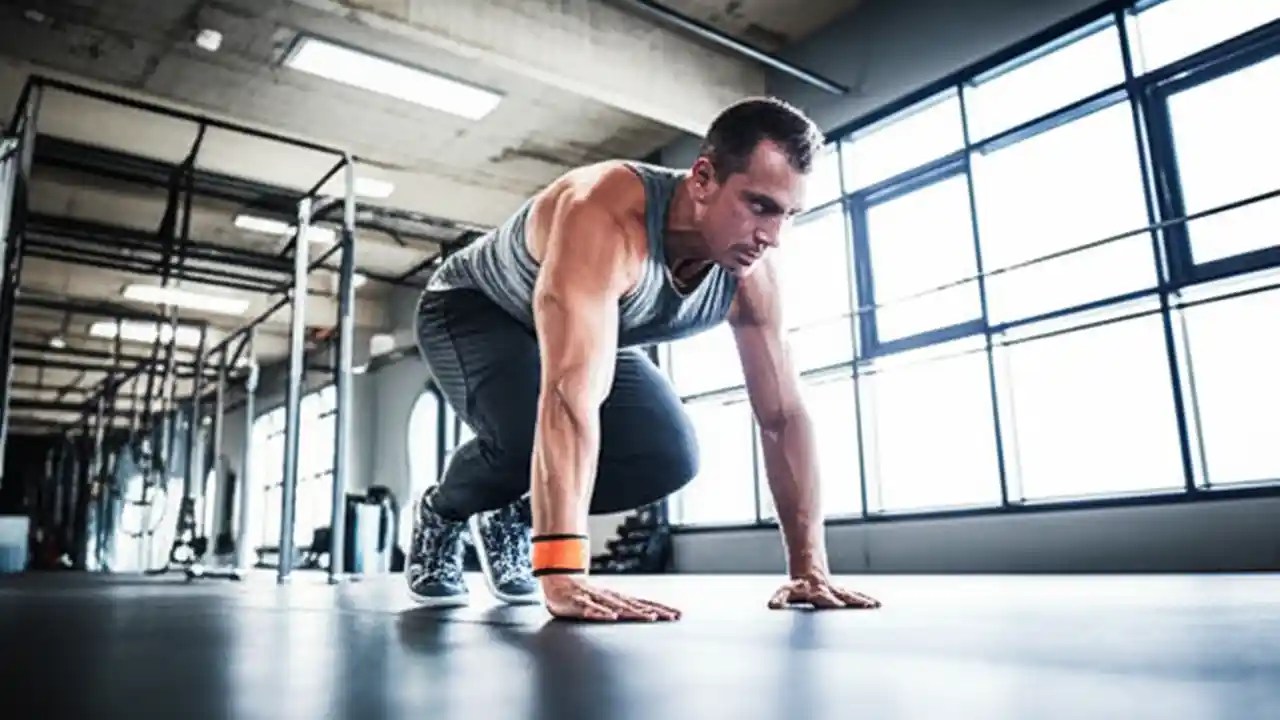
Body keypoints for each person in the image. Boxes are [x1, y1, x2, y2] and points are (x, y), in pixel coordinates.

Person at [408, 96, 882, 622]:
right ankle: (441, 512)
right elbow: (570, 398)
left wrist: (808, 568)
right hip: (477, 309)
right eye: (759, 205)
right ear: (703, 179)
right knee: (527, 436)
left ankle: (513, 520)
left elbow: (783, 417)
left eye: (788, 214)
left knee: (668, 453)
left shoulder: (751, 276)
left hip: (588, 324)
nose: (772, 236)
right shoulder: (604, 214)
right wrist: (564, 570)